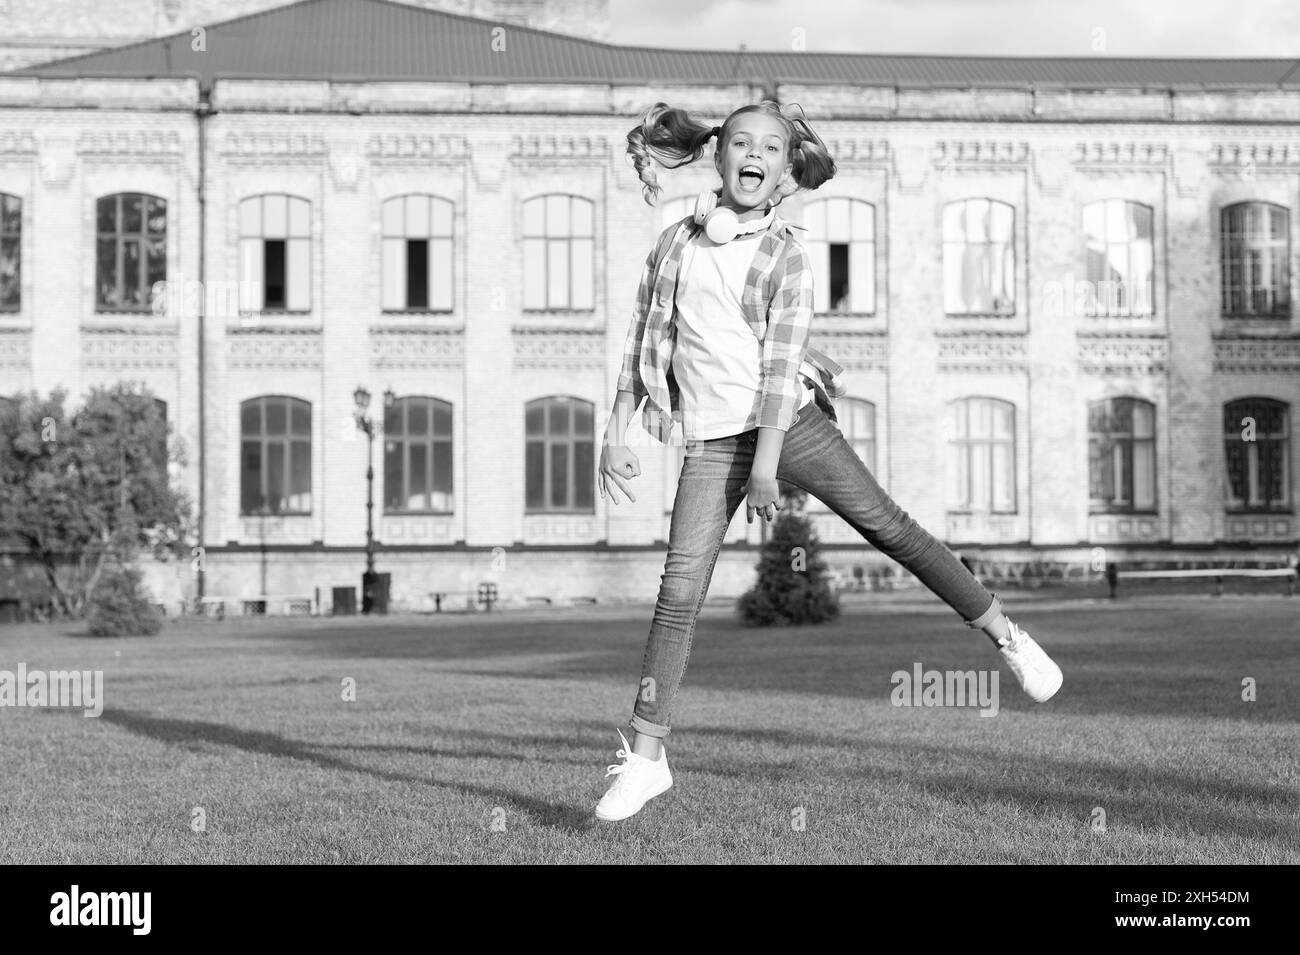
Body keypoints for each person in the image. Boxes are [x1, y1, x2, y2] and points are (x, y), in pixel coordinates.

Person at [594, 100, 1063, 823]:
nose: (754, 155)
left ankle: (1006, 633)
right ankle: (649, 757)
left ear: (783, 170)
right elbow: (641, 340)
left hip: (789, 426)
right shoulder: (675, 244)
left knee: (891, 527)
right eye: (741, 142)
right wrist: (616, 432)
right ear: (718, 155)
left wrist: (765, 466)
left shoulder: (786, 257)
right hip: (713, 440)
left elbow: (781, 374)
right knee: (678, 592)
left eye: (771, 148)